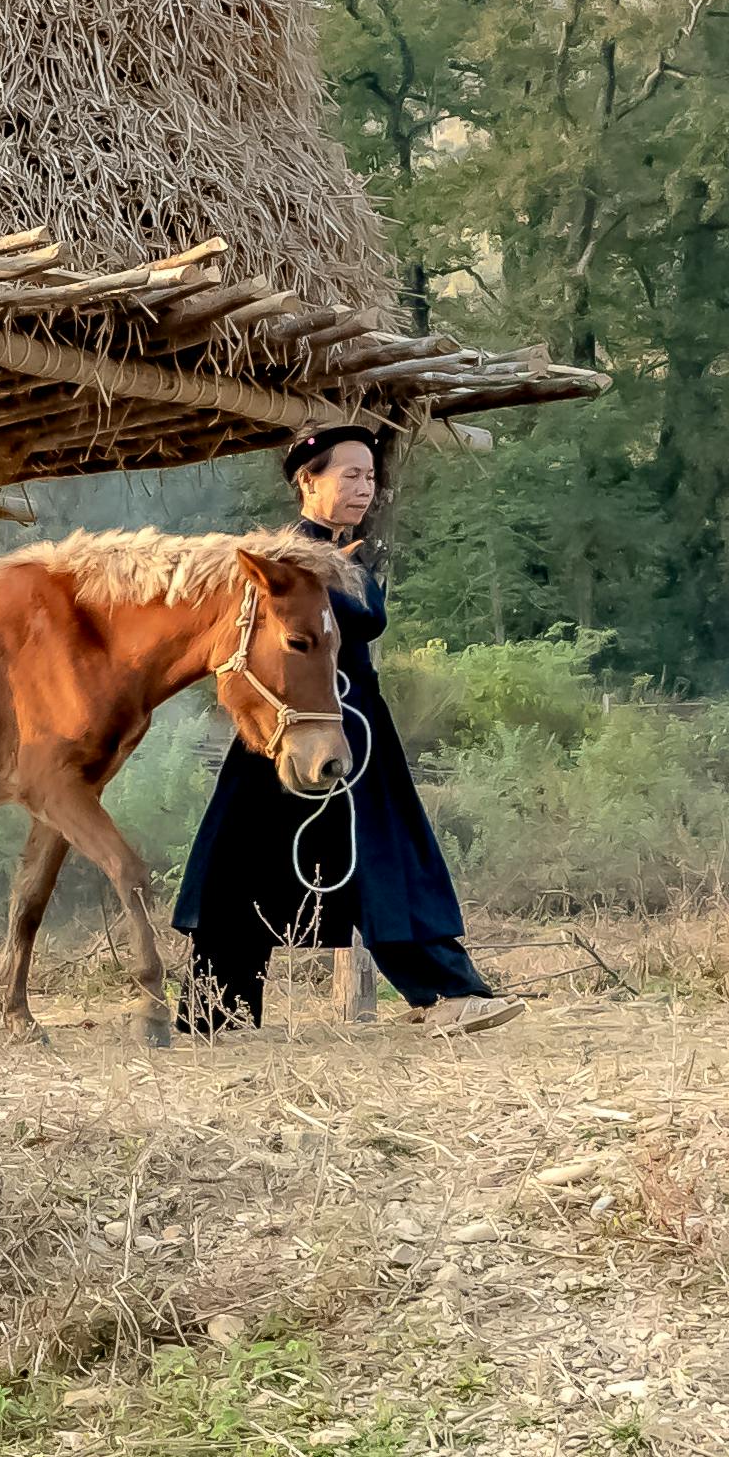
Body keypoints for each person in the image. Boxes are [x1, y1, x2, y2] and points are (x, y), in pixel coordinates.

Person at [174, 421, 511, 1032]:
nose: (366, 489)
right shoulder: (280, 561)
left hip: (356, 725)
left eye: (372, 478)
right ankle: (214, 1013)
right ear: (308, 480)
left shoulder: (343, 554)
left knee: (386, 855)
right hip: (285, 723)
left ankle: (446, 993)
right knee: (243, 862)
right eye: (350, 475)